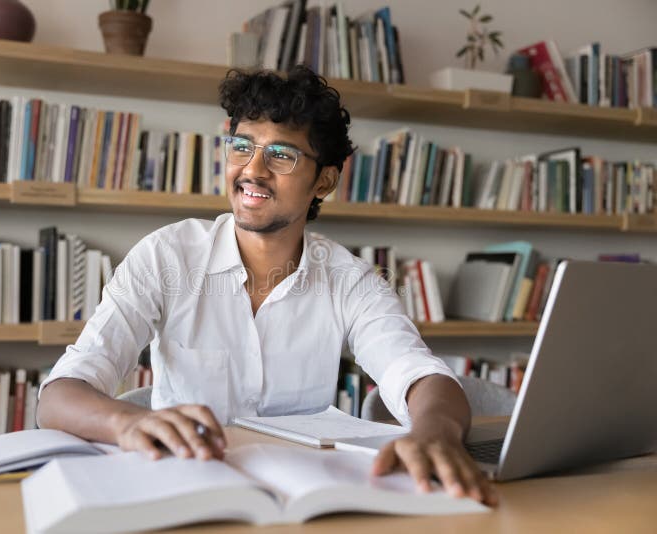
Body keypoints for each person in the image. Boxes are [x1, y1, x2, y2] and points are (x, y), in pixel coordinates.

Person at [37, 65, 496, 506]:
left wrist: (434, 432)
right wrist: (125, 423)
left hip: (306, 498)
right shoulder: (165, 256)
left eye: (281, 154)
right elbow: (60, 395)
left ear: (325, 180)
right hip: (183, 487)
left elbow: (420, 375)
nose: (252, 170)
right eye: (242, 146)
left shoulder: (349, 279)